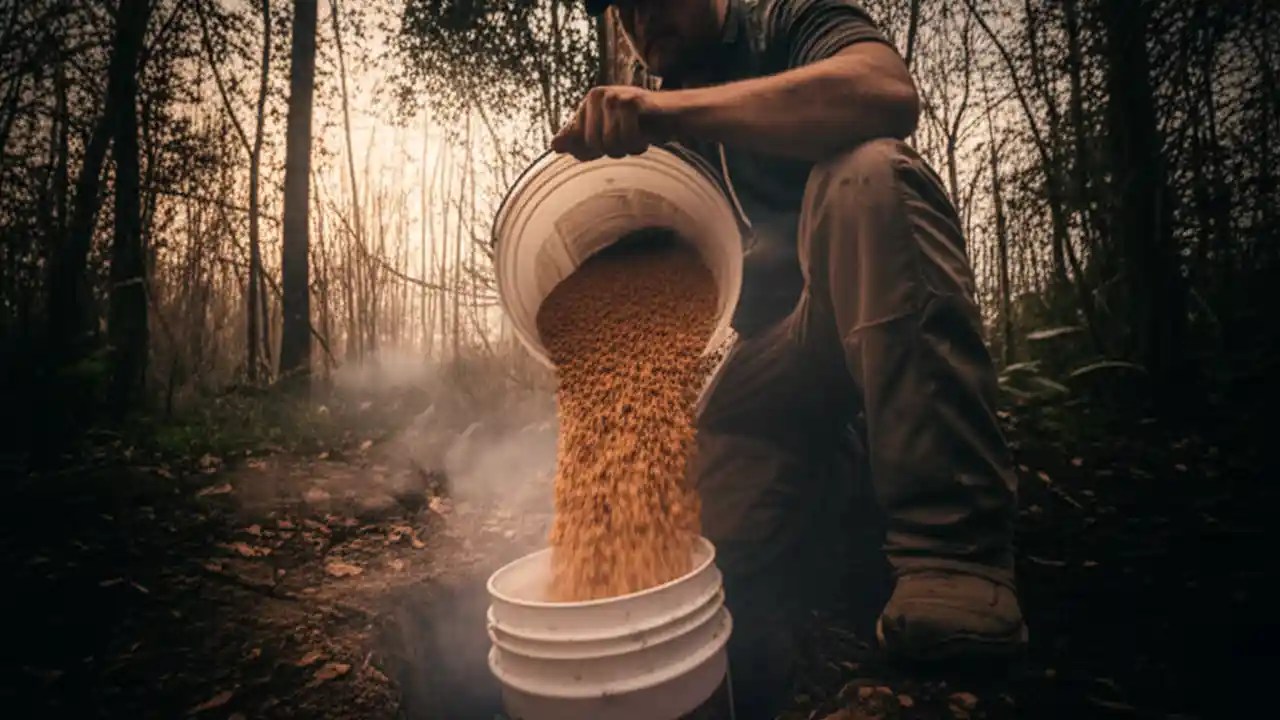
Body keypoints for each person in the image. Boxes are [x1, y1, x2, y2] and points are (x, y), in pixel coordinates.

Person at [551, 1, 1028, 717]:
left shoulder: (785, 23)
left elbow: (884, 92)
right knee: (698, 556)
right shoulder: (635, 132)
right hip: (741, 371)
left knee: (871, 173)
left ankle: (951, 551)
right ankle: (841, 474)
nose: (642, 19)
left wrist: (673, 112)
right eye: (626, 9)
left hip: (836, 323)